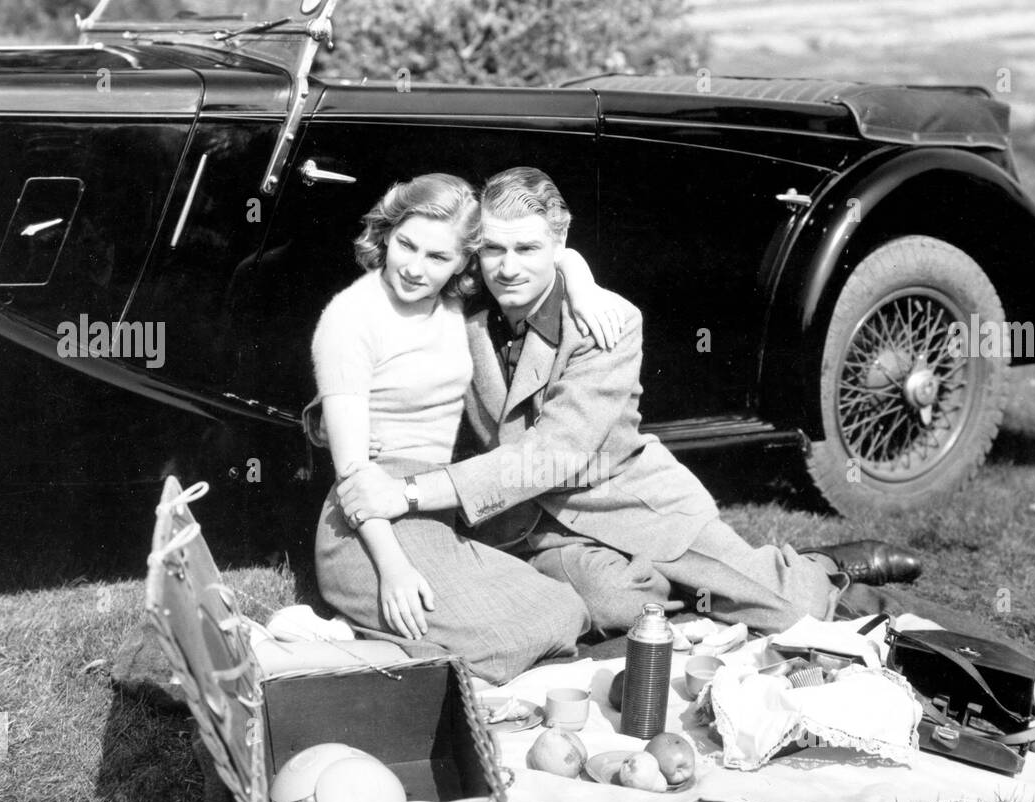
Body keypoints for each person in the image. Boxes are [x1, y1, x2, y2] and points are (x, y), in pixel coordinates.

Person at [334, 166, 920, 636]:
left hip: (628, 501)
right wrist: (340, 423)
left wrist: (407, 491)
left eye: (529, 249)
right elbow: (383, 362)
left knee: (790, 614)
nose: (508, 267)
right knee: (618, 611)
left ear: (559, 243)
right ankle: (670, 590)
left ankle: (819, 565)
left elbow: (553, 456)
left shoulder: (605, 322)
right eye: (492, 250)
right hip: (531, 523)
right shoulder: (462, 316)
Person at [306, 172, 627, 684]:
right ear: (386, 234)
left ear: (464, 262)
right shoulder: (349, 319)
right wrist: (393, 570)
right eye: (406, 245)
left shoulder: (454, 306)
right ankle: (337, 644)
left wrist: (582, 286)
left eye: (438, 258)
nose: (414, 268)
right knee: (514, 639)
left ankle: (380, 637)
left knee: (564, 610)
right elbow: (355, 480)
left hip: (430, 506)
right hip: (367, 524)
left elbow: (544, 249)